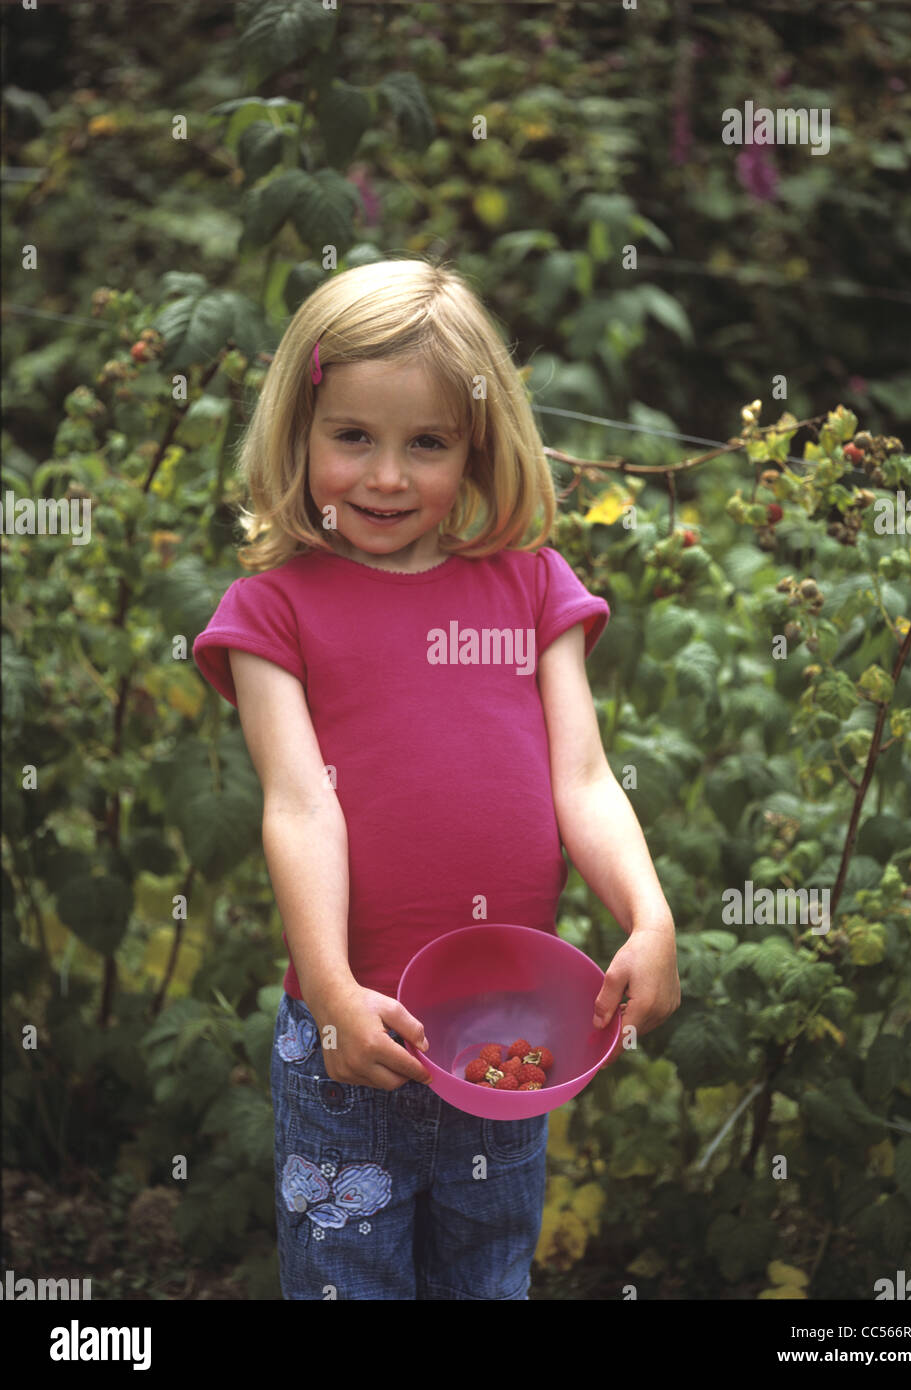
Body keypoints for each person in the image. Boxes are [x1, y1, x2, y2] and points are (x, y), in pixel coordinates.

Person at [193, 257, 680, 1300]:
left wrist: (646, 912)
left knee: (489, 1279)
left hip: (507, 1040)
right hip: (348, 1045)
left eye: (427, 444)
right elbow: (298, 803)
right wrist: (328, 991)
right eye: (351, 437)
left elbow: (584, 778)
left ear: (475, 445)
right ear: (299, 433)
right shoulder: (272, 612)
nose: (384, 477)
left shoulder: (531, 586)